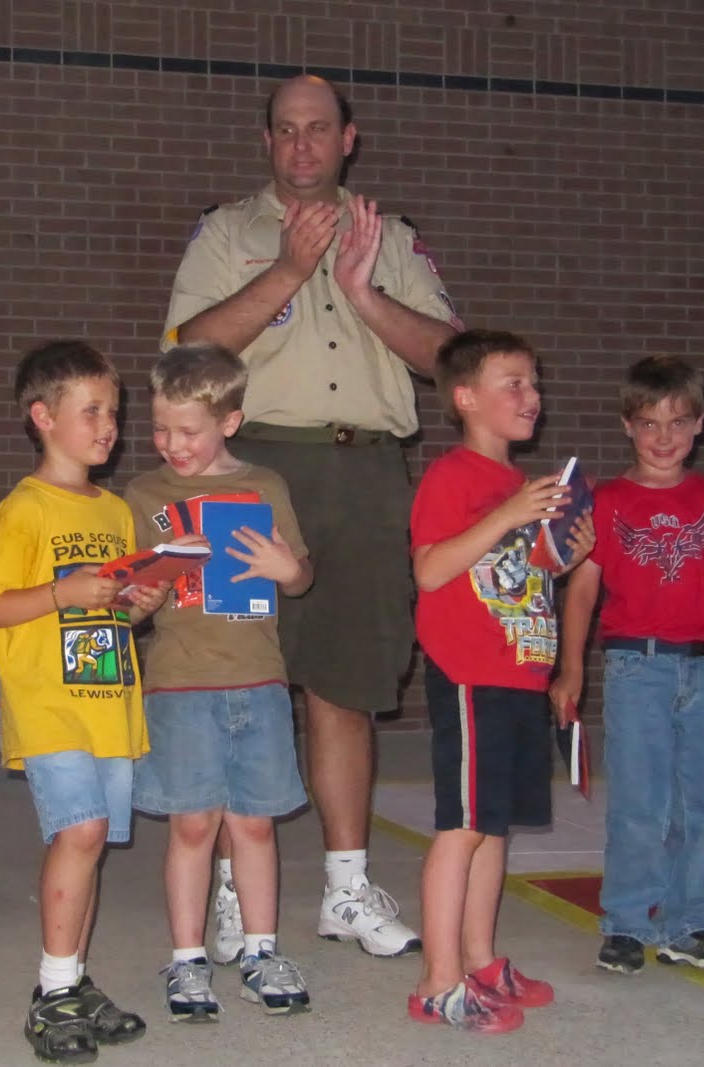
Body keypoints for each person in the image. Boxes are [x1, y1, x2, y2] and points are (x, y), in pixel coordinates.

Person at [162, 74, 461, 958]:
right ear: (268, 143)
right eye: (286, 130)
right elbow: (186, 349)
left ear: (348, 139)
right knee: (232, 682)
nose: (302, 145)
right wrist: (289, 270)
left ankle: (345, 886)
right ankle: (227, 886)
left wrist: (366, 292)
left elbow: (451, 355)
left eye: (318, 129)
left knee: (346, 685)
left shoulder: (391, 238)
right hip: (248, 469)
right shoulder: (227, 233)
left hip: (366, 470)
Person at [0, 340, 168, 1064]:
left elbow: (108, 609)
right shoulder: (24, 509)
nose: (109, 424)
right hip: (50, 702)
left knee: (91, 848)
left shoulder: (115, 511)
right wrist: (60, 592)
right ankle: (52, 991)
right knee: (78, 832)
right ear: (43, 416)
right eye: (92, 410)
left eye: (114, 411)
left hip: (108, 700)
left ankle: (74, 979)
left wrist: (140, 604)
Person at [550, 355, 704, 976]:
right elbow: (580, 591)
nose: (664, 437)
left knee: (702, 805)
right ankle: (627, 922)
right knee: (639, 802)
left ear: (699, 425)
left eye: (678, 423)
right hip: (637, 669)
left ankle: (688, 922)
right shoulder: (606, 501)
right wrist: (569, 669)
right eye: (650, 423)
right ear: (628, 425)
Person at [122, 344, 316, 1022]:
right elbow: (131, 596)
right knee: (192, 822)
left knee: (255, 822)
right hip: (178, 680)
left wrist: (282, 566)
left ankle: (262, 950)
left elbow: (301, 576)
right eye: (160, 430)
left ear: (230, 421)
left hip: (258, 677)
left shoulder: (264, 486)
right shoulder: (144, 494)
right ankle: (187, 959)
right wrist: (141, 595)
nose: (172, 444)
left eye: (189, 432)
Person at [407, 329, 594, 1032]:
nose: (532, 396)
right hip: (469, 674)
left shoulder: (522, 486)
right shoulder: (453, 476)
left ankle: (481, 958)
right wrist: (511, 516)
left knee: (495, 827)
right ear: (465, 398)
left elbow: (514, 579)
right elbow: (431, 569)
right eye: (512, 382)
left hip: (519, 670)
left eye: (534, 382)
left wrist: (559, 554)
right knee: (461, 827)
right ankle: (437, 979)